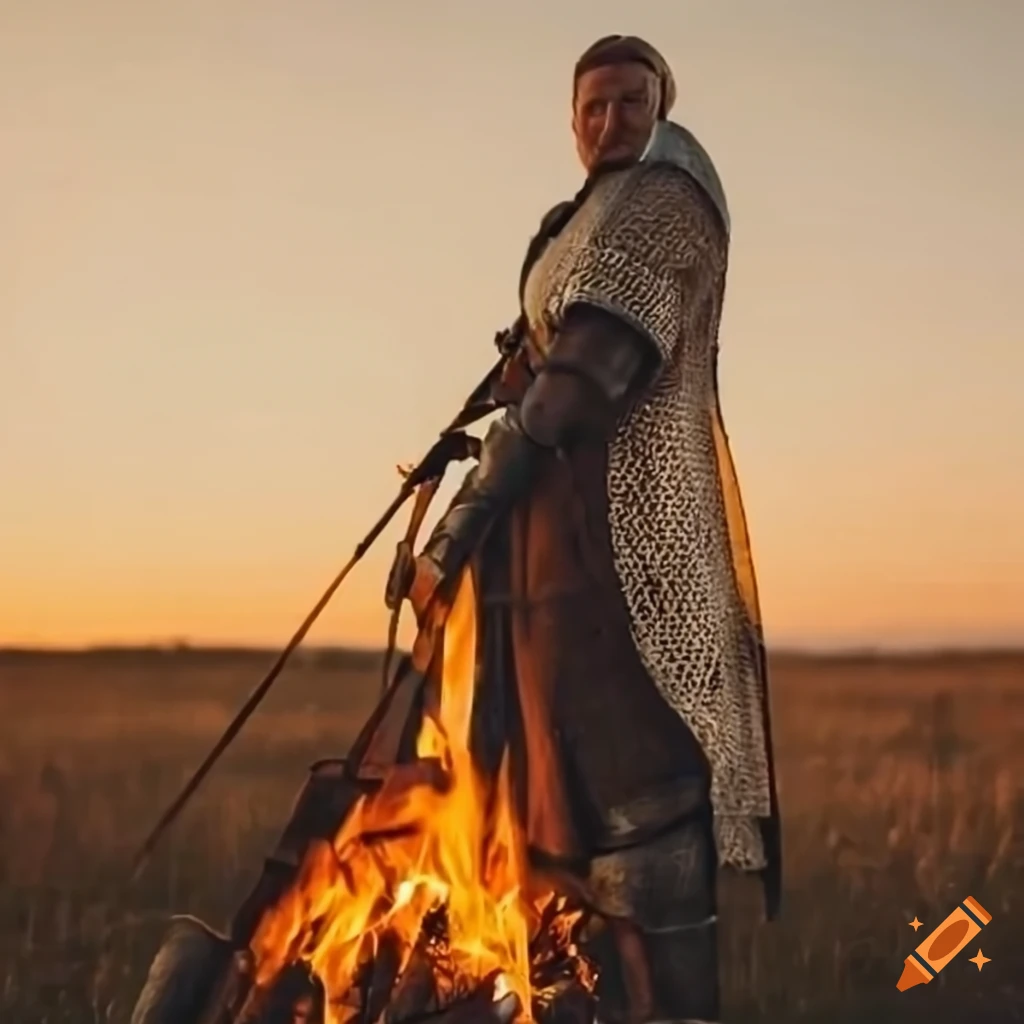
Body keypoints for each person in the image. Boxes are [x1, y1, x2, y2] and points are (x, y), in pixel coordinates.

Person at [384, 33, 781, 1024]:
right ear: (571, 124)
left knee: (640, 793)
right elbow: (536, 365)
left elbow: (586, 374)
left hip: (634, 545)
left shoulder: (665, 200)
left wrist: (461, 522)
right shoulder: (572, 221)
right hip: (552, 543)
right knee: (550, 814)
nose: (610, 122)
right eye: (592, 107)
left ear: (661, 109)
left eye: (629, 103)